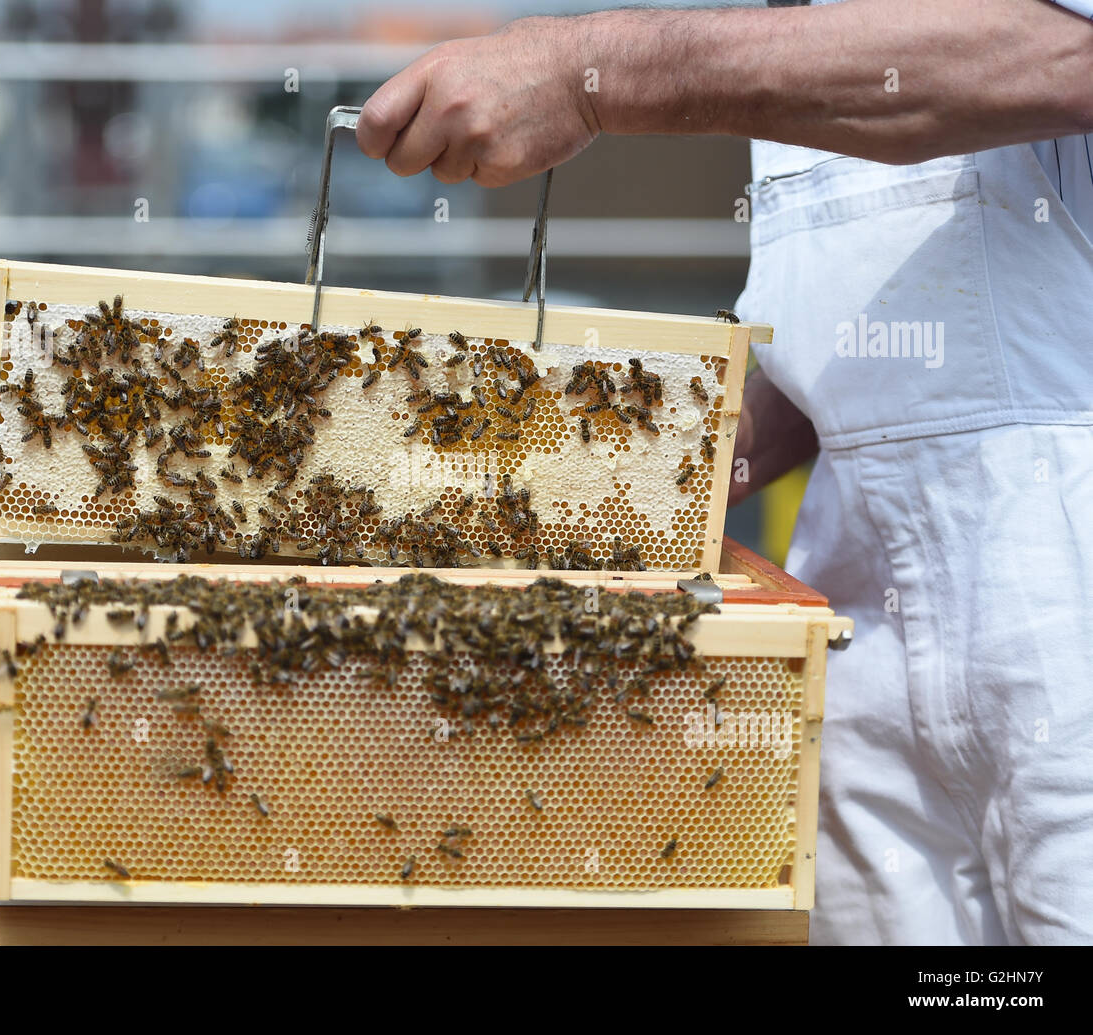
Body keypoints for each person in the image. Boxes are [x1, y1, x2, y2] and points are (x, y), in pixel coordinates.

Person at [356, 0, 1093, 945]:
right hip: (860, 626)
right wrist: (598, 471)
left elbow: (1062, 55)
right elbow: (867, 356)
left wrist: (588, 73)